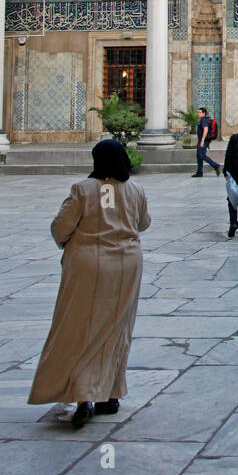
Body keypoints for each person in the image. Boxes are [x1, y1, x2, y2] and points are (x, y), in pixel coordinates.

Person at [28, 139, 151, 428]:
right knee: (117, 329)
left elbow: (61, 227)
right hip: (126, 265)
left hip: (87, 266)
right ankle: (111, 394)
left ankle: (85, 396)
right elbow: (143, 223)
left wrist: (70, 243)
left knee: (81, 328)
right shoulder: (135, 189)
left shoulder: (83, 190)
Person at [192, 105, 220, 178]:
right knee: (199, 156)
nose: (198, 113)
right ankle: (199, 172)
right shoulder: (203, 120)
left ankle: (216, 166)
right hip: (202, 140)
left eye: (200, 112)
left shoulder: (204, 120)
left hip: (203, 140)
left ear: (204, 113)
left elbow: (206, 129)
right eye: (198, 112)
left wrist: (202, 140)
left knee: (202, 155)